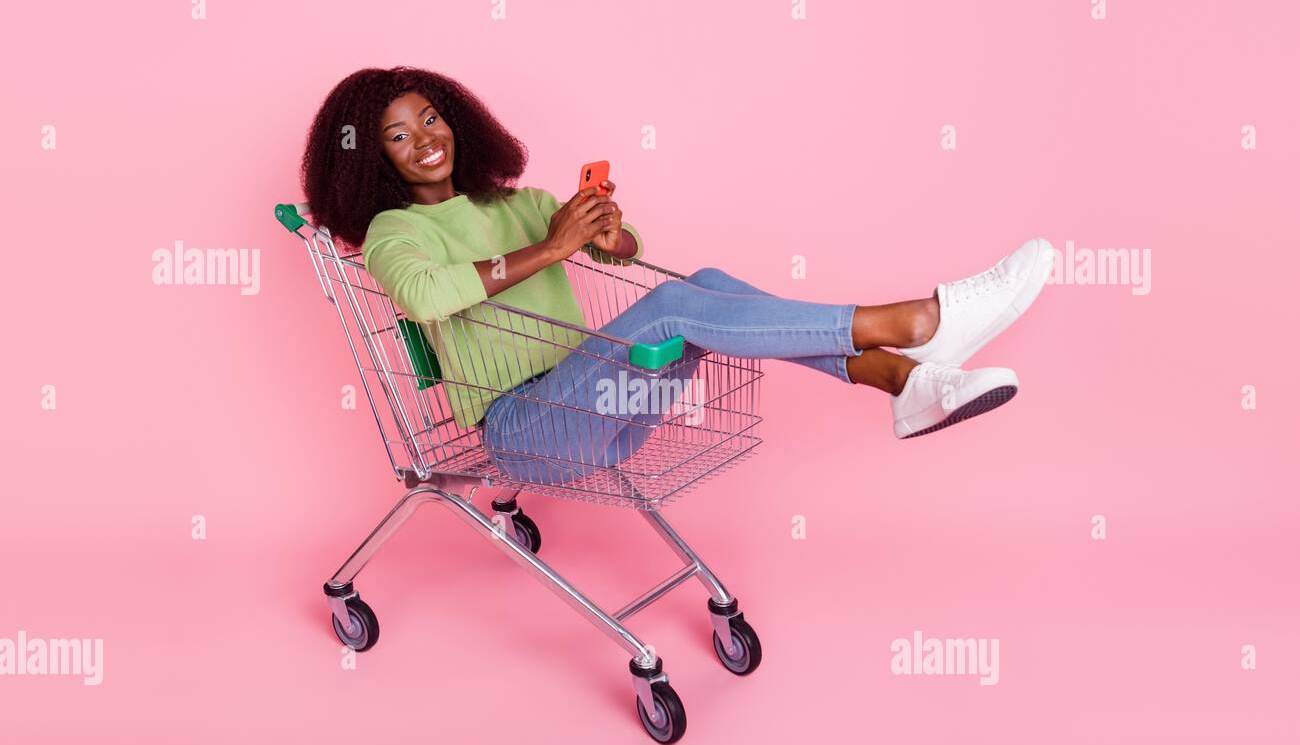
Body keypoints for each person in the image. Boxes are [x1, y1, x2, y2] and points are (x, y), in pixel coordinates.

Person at [302, 67, 1051, 484]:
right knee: (667, 309)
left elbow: (621, 252)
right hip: (526, 430)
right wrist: (552, 251)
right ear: (375, 159)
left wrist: (603, 230)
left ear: (456, 120)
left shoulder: (519, 202)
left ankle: (905, 383)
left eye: (430, 118)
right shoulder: (391, 234)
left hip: (604, 404)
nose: (424, 140)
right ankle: (914, 324)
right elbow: (428, 294)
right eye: (398, 136)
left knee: (706, 280)